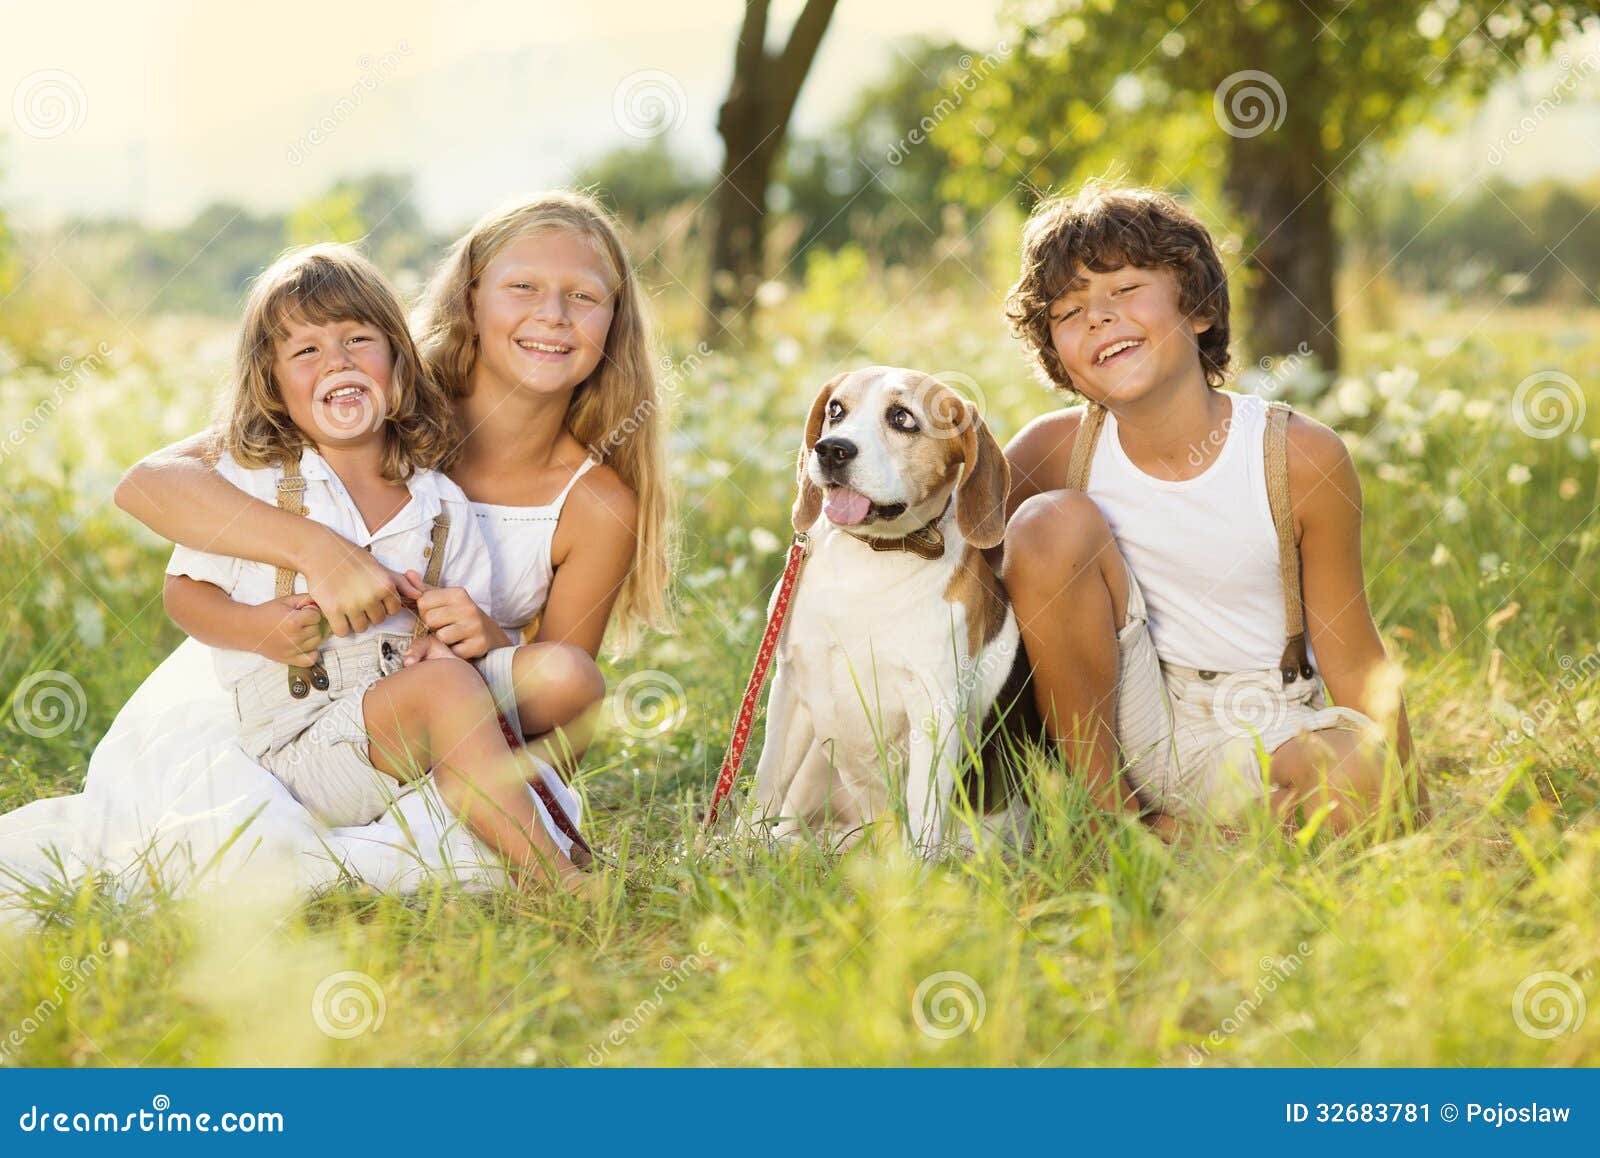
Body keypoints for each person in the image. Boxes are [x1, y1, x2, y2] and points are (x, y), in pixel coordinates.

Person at [995, 184, 1424, 839]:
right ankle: (1109, 826)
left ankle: (1186, 838)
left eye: (1125, 290)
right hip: (1127, 726)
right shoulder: (1053, 452)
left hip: (1271, 721)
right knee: (1049, 524)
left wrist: (1416, 814)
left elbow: (1354, 655)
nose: (1099, 318)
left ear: (1196, 308)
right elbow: (956, 574)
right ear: (1060, 361)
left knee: (1361, 775)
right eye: (1068, 310)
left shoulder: (1298, 456)